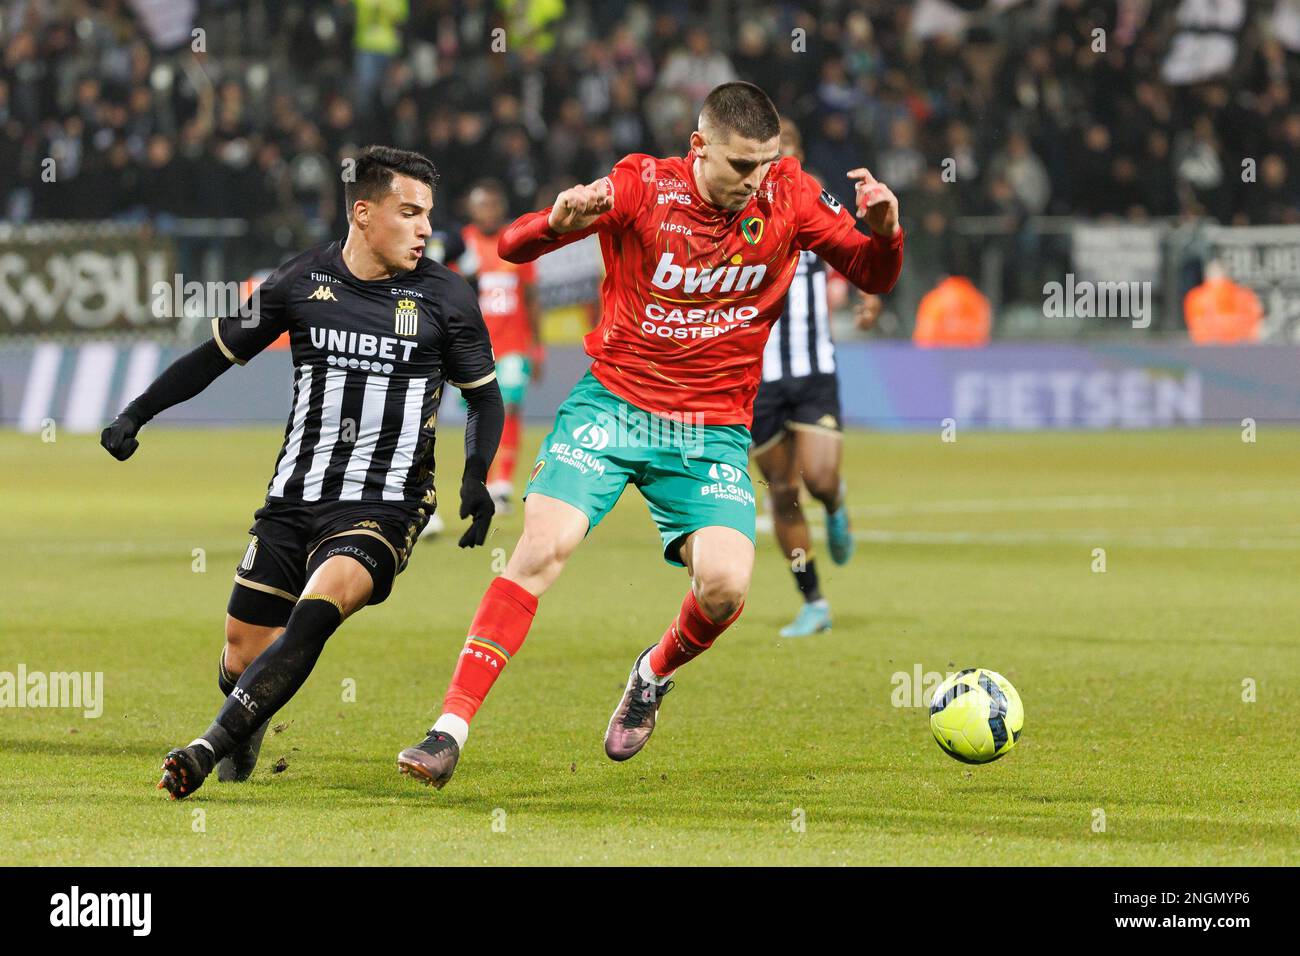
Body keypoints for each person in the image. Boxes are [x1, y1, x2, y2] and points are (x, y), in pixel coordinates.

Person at [395, 82, 904, 789]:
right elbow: (513, 246)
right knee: (543, 546)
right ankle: (448, 729)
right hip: (613, 407)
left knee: (725, 586)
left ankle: (652, 673)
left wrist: (885, 229)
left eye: (765, 163)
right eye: (738, 165)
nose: (754, 180)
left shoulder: (789, 194)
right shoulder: (641, 185)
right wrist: (556, 220)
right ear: (698, 148)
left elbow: (874, 270)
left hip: (712, 427)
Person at [99, 146, 504, 800]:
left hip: (386, 503)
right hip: (295, 497)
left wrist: (474, 476)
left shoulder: (445, 296)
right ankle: (247, 715)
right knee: (240, 652)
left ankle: (204, 749)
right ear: (364, 214)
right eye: (409, 212)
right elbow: (214, 356)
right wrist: (136, 413)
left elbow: (483, 395)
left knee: (317, 610)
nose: (426, 228)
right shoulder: (300, 283)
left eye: (428, 213)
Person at [751, 116, 866, 638]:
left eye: (787, 146)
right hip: (758, 377)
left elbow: (854, 255)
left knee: (817, 480)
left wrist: (867, 297)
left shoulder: (812, 203)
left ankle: (836, 502)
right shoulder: (734, 210)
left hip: (813, 367)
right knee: (782, 492)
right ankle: (813, 599)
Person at [458, 178, 542, 510]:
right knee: (481, 414)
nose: (488, 212)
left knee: (509, 407)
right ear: (472, 208)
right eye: (481, 205)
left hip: (513, 345)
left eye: (493, 205)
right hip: (474, 348)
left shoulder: (517, 242)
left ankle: (503, 481)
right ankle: (488, 479)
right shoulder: (462, 244)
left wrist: (538, 345)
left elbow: (532, 298)